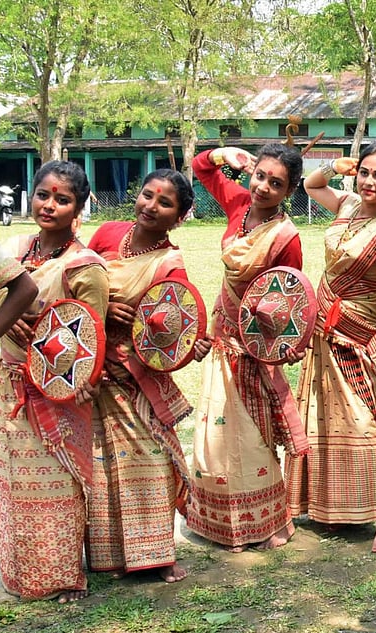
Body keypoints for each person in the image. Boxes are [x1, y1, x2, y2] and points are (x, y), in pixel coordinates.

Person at [285, 142, 376, 554]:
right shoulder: (346, 205)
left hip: (355, 333)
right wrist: (336, 164)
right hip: (322, 329)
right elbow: (311, 183)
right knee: (319, 413)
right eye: (364, 172)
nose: (369, 182)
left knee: (362, 417)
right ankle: (310, 505)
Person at [85, 169, 208, 583]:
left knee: (150, 459)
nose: (150, 206)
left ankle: (156, 554)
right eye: (147, 195)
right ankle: (109, 558)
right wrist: (100, 311)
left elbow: (181, 320)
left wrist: (194, 344)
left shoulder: (170, 262)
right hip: (94, 369)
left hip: (136, 373)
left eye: (165, 203)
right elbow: (74, 283)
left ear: (180, 216)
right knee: (102, 466)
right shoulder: (106, 235)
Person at [188, 144, 306, 552]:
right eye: (260, 176)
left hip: (256, 341)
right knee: (221, 430)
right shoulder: (237, 204)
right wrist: (224, 153)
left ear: (289, 191)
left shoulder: (286, 237)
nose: (264, 188)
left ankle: (275, 520)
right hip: (222, 334)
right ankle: (226, 520)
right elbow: (201, 169)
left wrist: (285, 345)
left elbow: (292, 296)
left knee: (257, 431)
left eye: (276, 183)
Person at [0, 162, 94, 602]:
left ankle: (63, 575)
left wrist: (34, 332)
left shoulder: (85, 265)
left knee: (57, 482)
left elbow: (91, 332)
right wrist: (9, 319)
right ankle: (20, 572)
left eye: (62, 199)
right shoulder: (15, 247)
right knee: (15, 481)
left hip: (57, 387)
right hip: (8, 384)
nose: (49, 205)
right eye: (42, 195)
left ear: (78, 208)